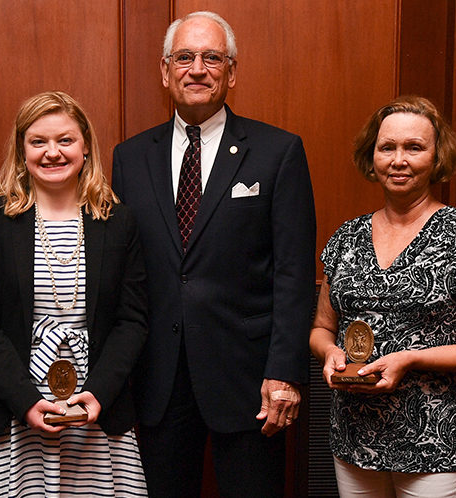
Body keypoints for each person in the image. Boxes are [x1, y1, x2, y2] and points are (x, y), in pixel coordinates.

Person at [111, 11, 316, 497]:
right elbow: (120, 271)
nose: (197, 69)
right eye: (185, 57)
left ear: (232, 71)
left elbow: (292, 272)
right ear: (165, 71)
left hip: (249, 381)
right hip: (156, 380)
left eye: (212, 58)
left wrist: (284, 372)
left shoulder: (277, 151)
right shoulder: (129, 156)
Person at [309, 95, 456, 497]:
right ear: (373, 157)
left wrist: (411, 358)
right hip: (354, 436)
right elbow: (321, 327)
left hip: (434, 440)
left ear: (438, 158)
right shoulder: (345, 238)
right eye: (387, 147)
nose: (398, 159)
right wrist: (330, 353)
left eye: (414, 147)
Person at [0, 91, 149, 496]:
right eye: (38, 141)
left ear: (86, 146)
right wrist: (24, 400)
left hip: (94, 409)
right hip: (10, 406)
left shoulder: (117, 221)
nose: (52, 152)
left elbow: (133, 321)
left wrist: (98, 393)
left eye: (65, 140)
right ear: (22, 150)